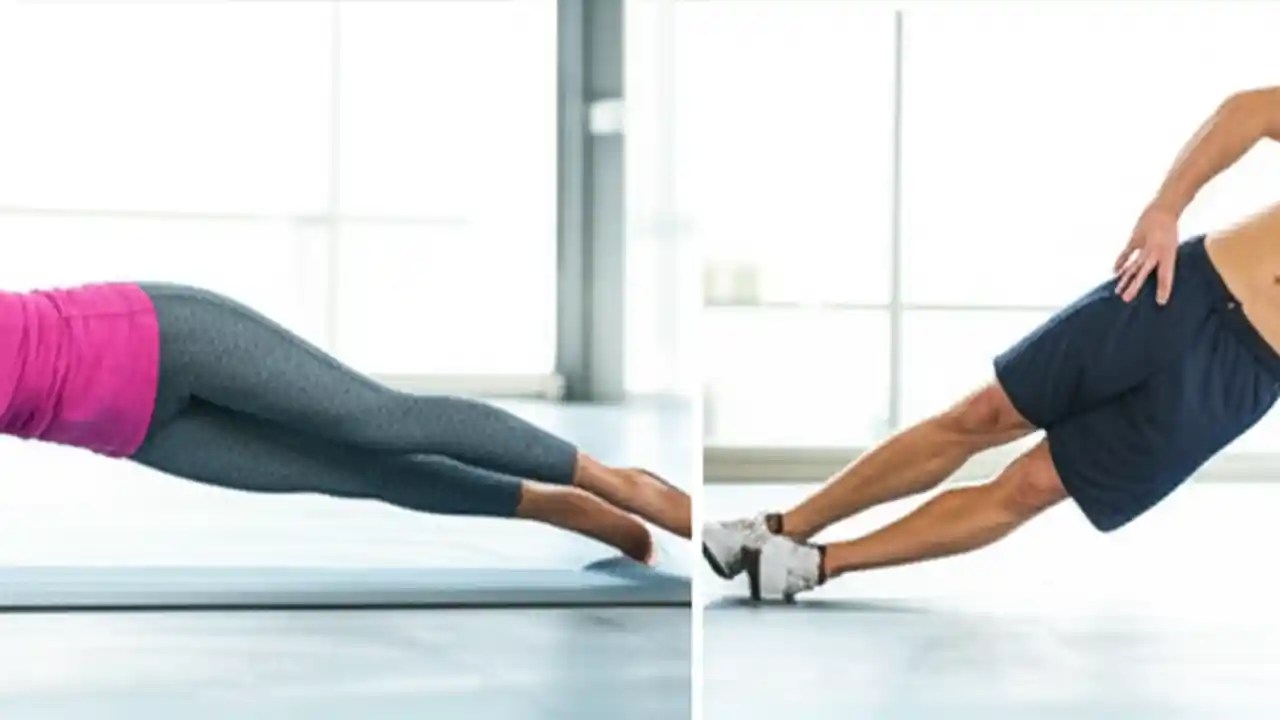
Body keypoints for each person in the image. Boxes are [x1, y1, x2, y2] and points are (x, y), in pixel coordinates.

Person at [704, 85, 1280, 601]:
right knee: (985, 413)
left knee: (1033, 484)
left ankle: (812, 566)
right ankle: (783, 526)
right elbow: (1249, 111)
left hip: (1243, 376)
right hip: (1186, 288)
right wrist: (1166, 208)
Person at [0, 282, 690, 563]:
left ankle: (617, 481)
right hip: (134, 430)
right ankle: (544, 504)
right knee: (356, 476)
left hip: (155, 336)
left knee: (379, 422)